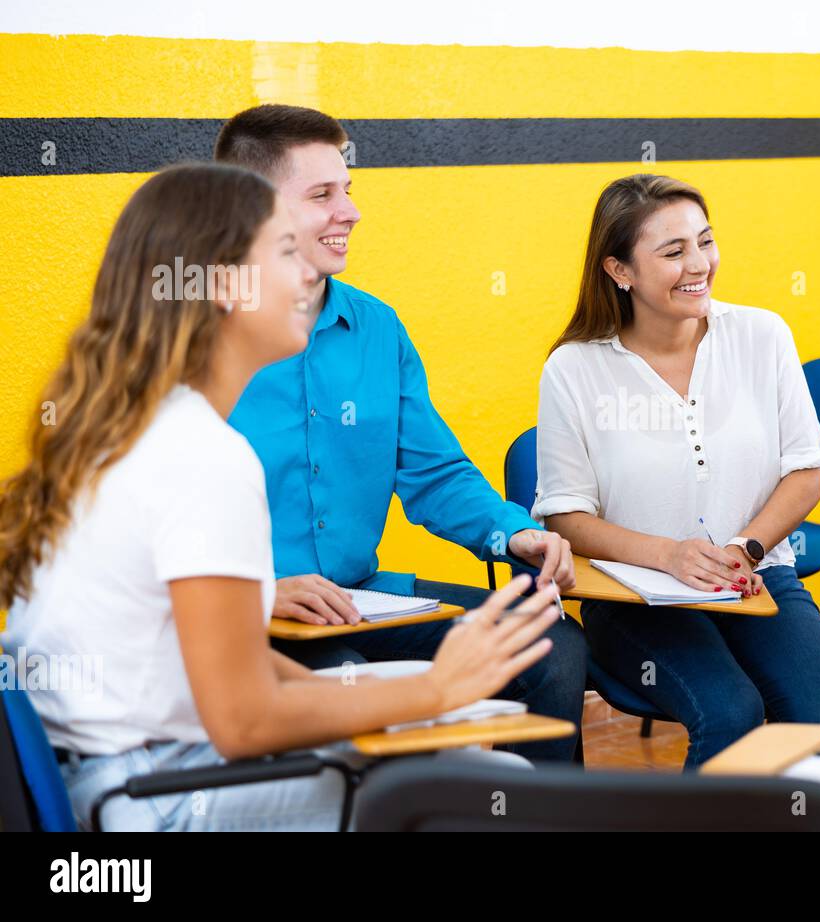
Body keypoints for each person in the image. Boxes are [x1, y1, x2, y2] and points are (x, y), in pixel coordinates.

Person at [0, 163, 559, 830]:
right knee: (500, 790)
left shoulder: (126, 432)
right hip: (159, 796)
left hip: (122, 778)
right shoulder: (203, 457)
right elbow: (243, 720)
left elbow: (219, 659)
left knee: (464, 764)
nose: (309, 276)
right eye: (287, 253)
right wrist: (436, 687)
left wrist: (407, 698)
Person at [214, 105, 586, 761]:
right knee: (351, 674)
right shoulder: (192, 342)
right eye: (323, 194)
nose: (351, 211)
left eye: (348, 189)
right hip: (245, 622)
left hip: (362, 598)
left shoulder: (378, 328)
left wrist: (515, 530)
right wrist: (265, 588)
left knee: (549, 645)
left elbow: (434, 473)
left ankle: (534, 812)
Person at [535, 173, 820, 769]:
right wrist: (668, 555)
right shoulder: (573, 369)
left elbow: (807, 470)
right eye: (673, 251)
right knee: (730, 712)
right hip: (635, 597)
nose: (699, 264)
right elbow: (565, 515)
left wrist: (747, 547)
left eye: (704, 241)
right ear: (620, 271)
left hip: (755, 579)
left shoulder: (762, 335)